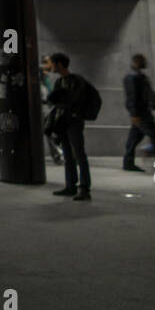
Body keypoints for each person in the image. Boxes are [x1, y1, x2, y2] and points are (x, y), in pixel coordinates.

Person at [45, 52, 93, 200]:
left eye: (52, 63)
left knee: (79, 153)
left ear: (59, 64)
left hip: (73, 121)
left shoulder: (76, 81)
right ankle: (70, 185)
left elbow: (73, 101)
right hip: (63, 122)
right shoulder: (60, 82)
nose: (50, 66)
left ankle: (84, 188)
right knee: (67, 154)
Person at [122, 54, 155, 171]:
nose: (146, 62)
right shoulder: (133, 77)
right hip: (142, 113)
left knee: (134, 139)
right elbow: (132, 97)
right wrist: (134, 114)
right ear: (137, 62)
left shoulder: (139, 76)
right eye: (143, 60)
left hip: (142, 112)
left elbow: (147, 92)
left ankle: (128, 163)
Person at [40, 55, 64, 165]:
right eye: (48, 62)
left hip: (49, 108)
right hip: (43, 108)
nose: (50, 66)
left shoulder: (47, 78)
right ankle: (57, 154)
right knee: (49, 132)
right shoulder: (40, 77)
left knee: (51, 132)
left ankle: (58, 154)